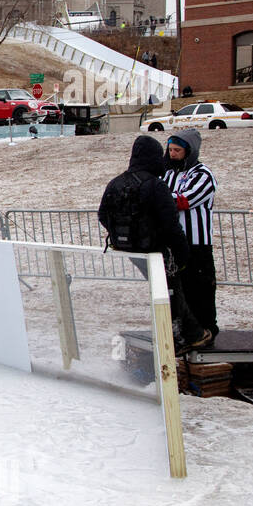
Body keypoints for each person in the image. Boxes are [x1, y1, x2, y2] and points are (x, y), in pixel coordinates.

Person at [98, 135, 211, 354]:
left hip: (130, 249)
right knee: (172, 292)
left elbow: (103, 214)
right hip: (157, 250)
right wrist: (182, 255)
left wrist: (122, 233)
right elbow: (170, 225)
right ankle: (186, 336)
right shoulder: (155, 185)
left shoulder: (116, 182)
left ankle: (186, 333)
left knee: (165, 292)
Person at [161, 130, 218, 340]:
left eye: (178, 150)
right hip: (175, 244)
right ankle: (185, 331)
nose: (173, 154)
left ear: (189, 151)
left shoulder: (203, 174)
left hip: (197, 243)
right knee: (179, 291)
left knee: (200, 289)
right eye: (170, 149)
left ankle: (207, 330)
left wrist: (159, 199)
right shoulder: (167, 173)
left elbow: (183, 200)